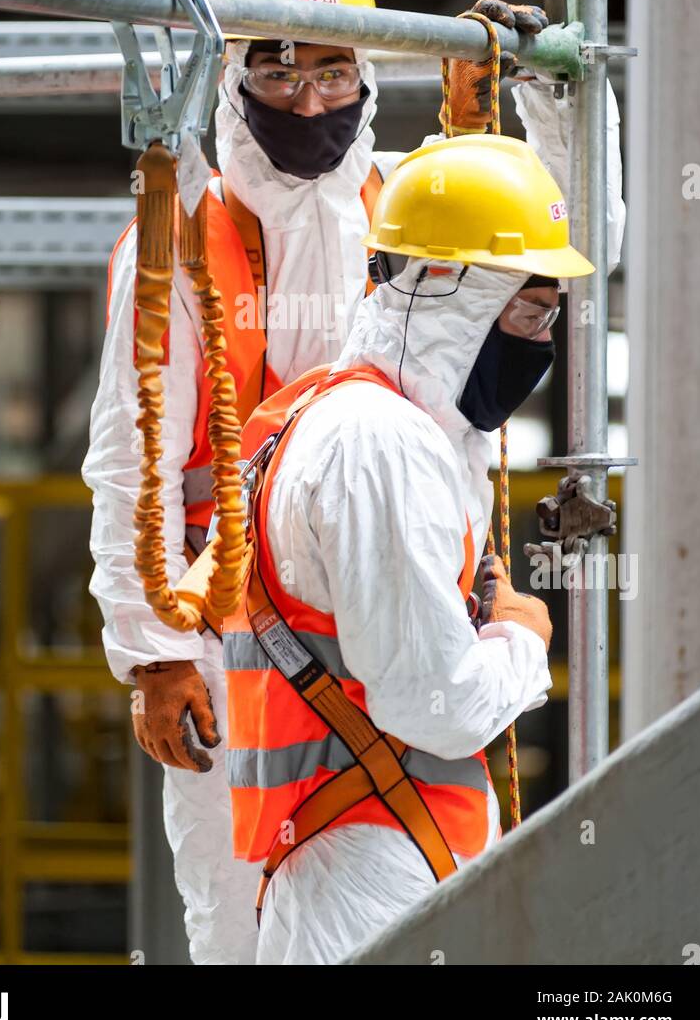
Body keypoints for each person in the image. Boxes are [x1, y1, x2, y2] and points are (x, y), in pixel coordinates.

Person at [82, 0, 623, 963]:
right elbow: (132, 459)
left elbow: (551, 245)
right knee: (237, 907)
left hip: (385, 591)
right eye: (279, 69)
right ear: (234, 75)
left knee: (392, 873)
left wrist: (539, 102)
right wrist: (151, 653)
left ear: (367, 77)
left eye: (333, 69)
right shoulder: (187, 237)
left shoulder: (396, 208)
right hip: (227, 622)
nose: (308, 95)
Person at [223, 134, 597, 965]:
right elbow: (436, 705)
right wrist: (522, 640)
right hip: (371, 864)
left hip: (360, 856)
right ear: (449, 295)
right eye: (529, 313)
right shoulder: (377, 446)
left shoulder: (325, 413)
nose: (538, 343)